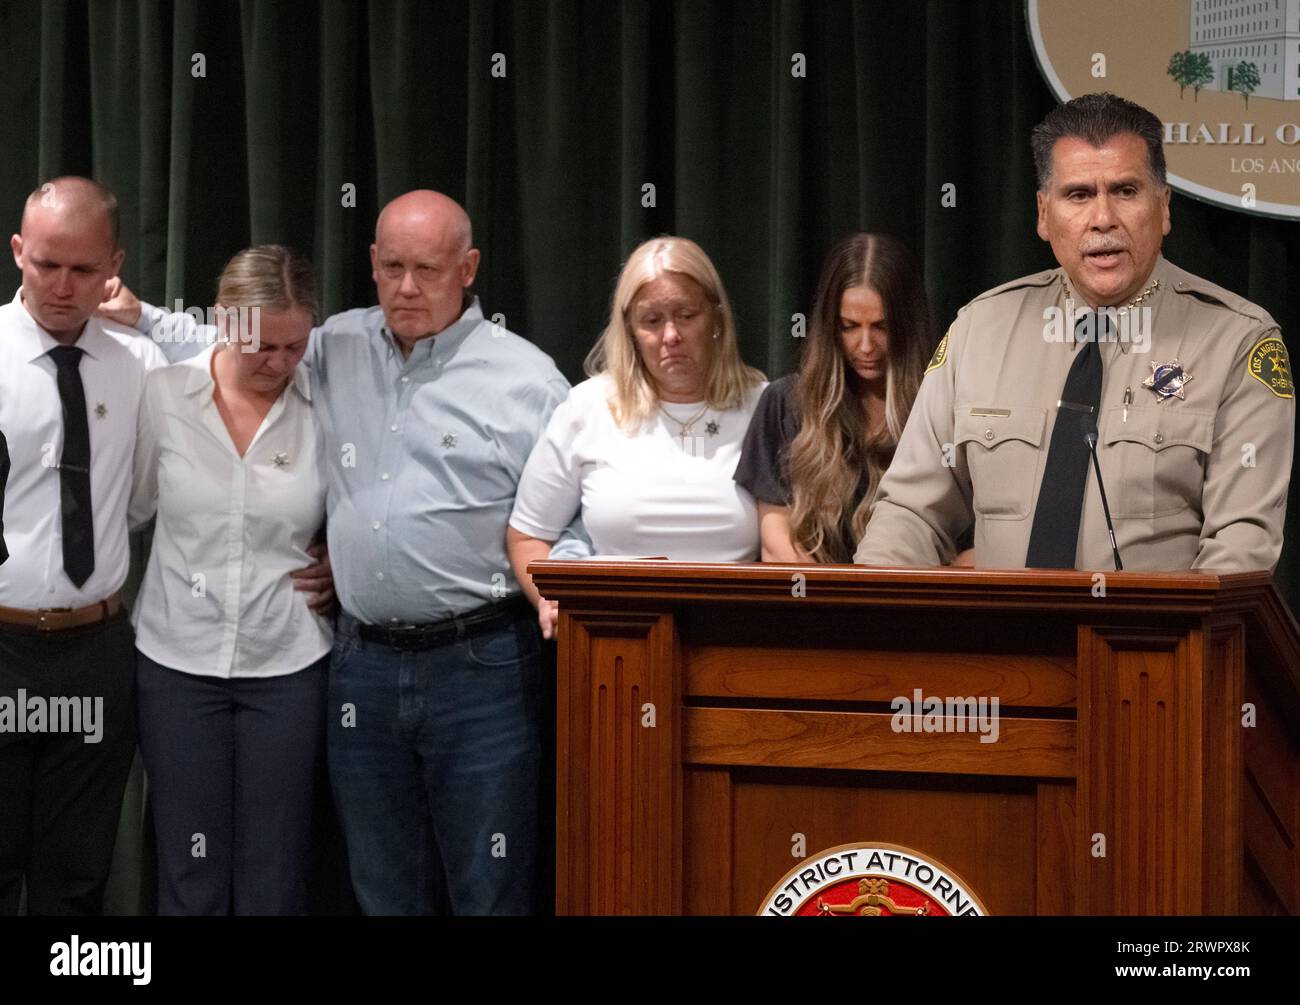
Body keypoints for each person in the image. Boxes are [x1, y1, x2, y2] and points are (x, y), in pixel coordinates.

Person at [102, 190, 570, 915]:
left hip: (480, 668)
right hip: (362, 667)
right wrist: (141, 317)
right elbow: (233, 341)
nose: (407, 287)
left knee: (487, 881)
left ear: (469, 268)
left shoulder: (529, 380)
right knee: (380, 883)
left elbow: (571, 508)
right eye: (392, 267)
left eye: (428, 268)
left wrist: (569, 584)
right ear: (373, 266)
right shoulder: (337, 346)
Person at [854, 92, 1293, 572]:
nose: (1102, 219)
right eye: (1078, 195)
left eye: (1125, 191)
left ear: (1164, 208)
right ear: (1044, 214)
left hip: (1150, 644)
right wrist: (874, 622)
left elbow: (1240, 550)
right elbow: (910, 514)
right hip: (1004, 643)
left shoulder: (1238, 342)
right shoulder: (979, 330)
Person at [128, 245, 333, 915]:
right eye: (262, 347)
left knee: (274, 870)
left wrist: (348, 559)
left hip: (289, 664)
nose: (278, 363)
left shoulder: (324, 408)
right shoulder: (161, 396)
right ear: (222, 320)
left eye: (294, 346)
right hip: (175, 664)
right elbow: (125, 506)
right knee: (191, 868)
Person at [0, 177, 167, 915]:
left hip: (95, 648)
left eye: (83, 268)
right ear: (17, 253)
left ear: (114, 266)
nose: (63, 286)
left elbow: (140, 500)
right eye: (45, 264)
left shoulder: (141, 367)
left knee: (78, 872)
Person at [507, 236, 767, 634]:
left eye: (686, 315)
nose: (670, 336)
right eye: (651, 321)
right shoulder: (588, 407)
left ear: (716, 317)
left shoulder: (766, 407)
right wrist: (550, 601)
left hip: (736, 643)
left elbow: (793, 549)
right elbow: (527, 535)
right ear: (630, 329)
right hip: (612, 642)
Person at [734, 233, 954, 563]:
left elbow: (977, 544)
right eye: (849, 326)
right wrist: (835, 604)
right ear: (829, 326)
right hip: (815, 606)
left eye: (882, 326)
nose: (865, 346)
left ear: (908, 326)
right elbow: (776, 542)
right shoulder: (785, 403)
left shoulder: (943, 406)